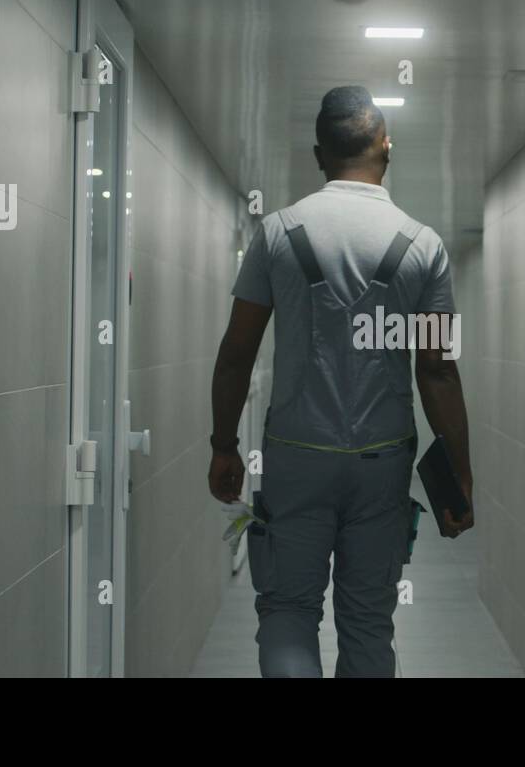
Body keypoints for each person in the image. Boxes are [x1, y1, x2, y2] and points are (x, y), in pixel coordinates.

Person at [207, 85, 473, 678]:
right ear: (387, 148)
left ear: (318, 154)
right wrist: (459, 475)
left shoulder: (278, 234)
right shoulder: (423, 246)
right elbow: (437, 369)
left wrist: (224, 444)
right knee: (368, 621)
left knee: (287, 610)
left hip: (296, 458)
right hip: (382, 462)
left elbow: (236, 351)